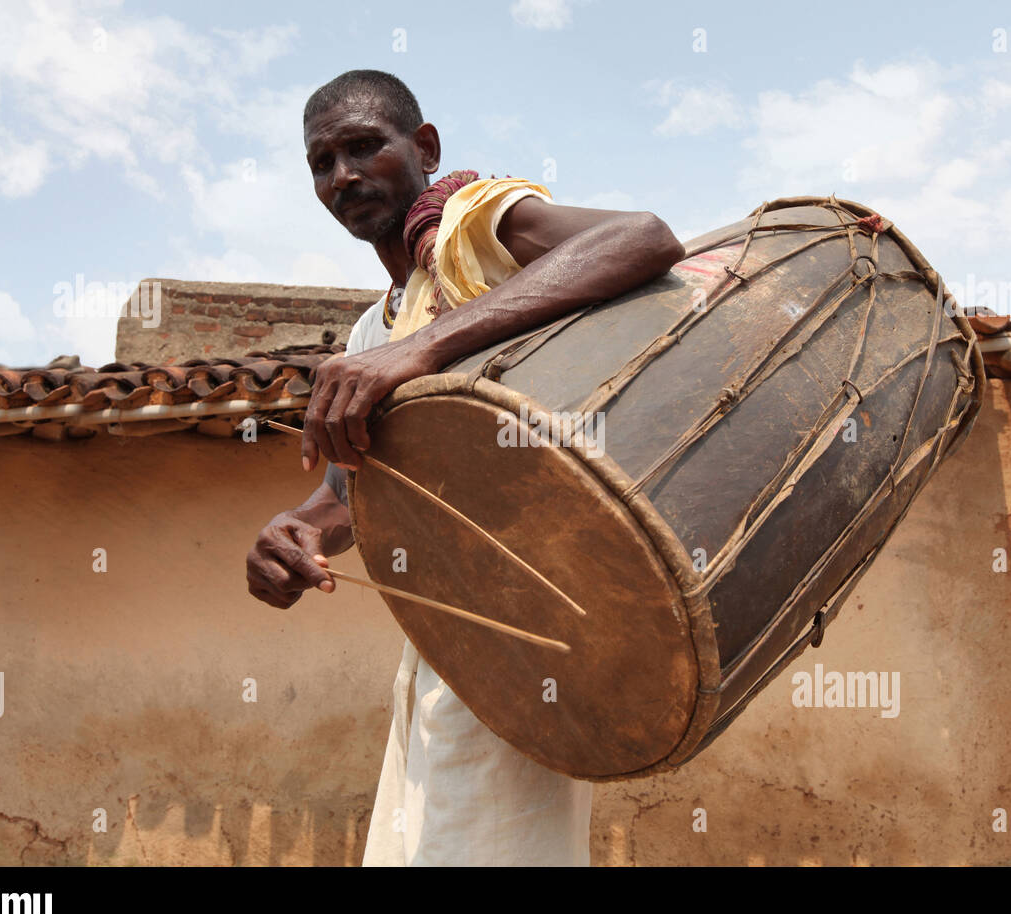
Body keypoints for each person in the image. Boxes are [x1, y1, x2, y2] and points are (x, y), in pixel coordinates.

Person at [244, 69, 686, 866]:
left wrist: (423, 349)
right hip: (442, 642)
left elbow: (644, 239)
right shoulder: (367, 335)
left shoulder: (474, 228)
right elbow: (353, 495)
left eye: (363, 147)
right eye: (321, 162)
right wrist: (296, 531)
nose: (342, 175)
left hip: (529, 627)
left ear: (424, 148)